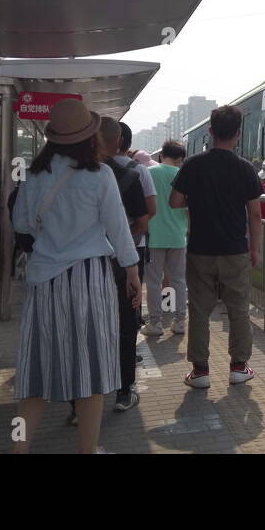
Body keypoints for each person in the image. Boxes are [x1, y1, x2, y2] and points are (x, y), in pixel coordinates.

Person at [10, 99, 141, 454]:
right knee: (91, 373)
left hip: (43, 282)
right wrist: (132, 271)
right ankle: (88, 449)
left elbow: (20, 223)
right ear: (90, 137)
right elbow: (118, 229)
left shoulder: (34, 175)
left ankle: (19, 450)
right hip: (88, 280)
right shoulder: (100, 175)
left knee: (35, 375)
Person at [170, 106, 262, 388]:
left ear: (210, 131)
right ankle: (238, 367)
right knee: (238, 309)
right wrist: (254, 249)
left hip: (200, 250)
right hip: (235, 250)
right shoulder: (245, 168)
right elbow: (255, 214)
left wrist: (195, 201)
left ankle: (200, 372)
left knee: (199, 310)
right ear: (238, 133)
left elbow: (174, 201)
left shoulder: (193, 165)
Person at [97, 117, 153, 414]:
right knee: (125, 321)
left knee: (89, 325)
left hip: (78, 268)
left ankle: (79, 401)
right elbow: (144, 220)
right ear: (119, 140)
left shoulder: (49, 173)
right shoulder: (129, 174)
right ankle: (123, 390)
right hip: (124, 260)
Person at [142, 140, 188, 337]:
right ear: (181, 159)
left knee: (153, 281)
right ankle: (179, 321)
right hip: (178, 236)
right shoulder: (184, 175)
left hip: (153, 237)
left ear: (161, 156)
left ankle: (156, 323)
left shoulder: (149, 173)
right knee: (178, 280)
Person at [114, 123, 157, 330]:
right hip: (134, 246)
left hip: (99, 252)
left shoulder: (92, 169)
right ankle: (128, 349)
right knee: (130, 296)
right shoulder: (140, 170)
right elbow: (151, 210)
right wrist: (131, 235)